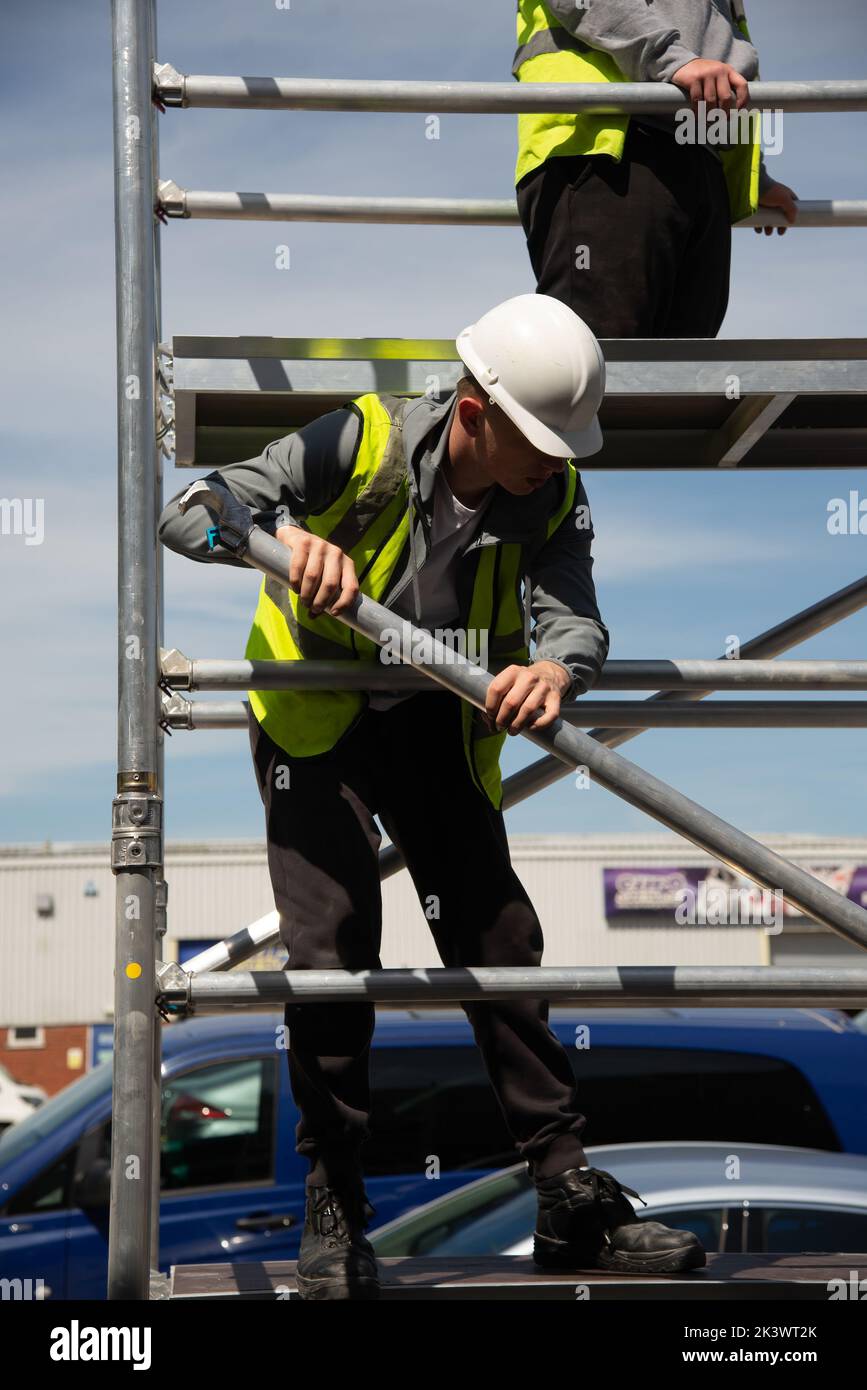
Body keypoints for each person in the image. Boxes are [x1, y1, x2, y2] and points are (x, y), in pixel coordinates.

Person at [158, 293, 705, 1299]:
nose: (555, 457)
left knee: (498, 935)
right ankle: (337, 1205)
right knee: (330, 952)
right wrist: (278, 540)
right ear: (472, 409)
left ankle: (565, 1191)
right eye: (538, 436)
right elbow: (194, 512)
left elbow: (572, 609)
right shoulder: (358, 442)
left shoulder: (549, 490)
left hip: (435, 716)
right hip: (315, 721)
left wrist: (557, 671)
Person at [513, 0, 799, 337]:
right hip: (609, 143)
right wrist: (671, 60)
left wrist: (757, 179)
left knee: (681, 373)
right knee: (598, 358)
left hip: (700, 157)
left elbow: (717, 39)